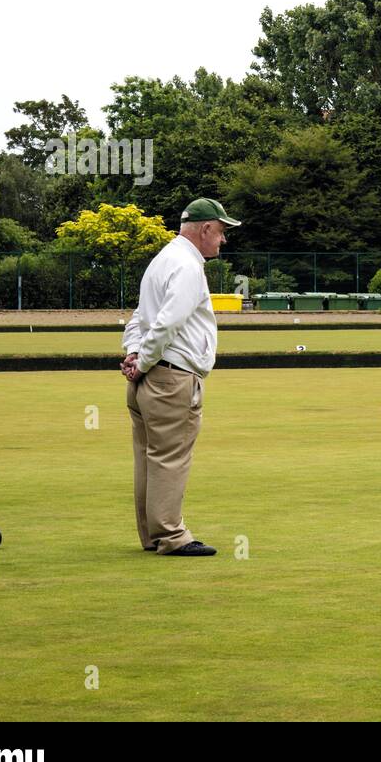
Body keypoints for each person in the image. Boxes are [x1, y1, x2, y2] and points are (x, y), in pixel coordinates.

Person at [120, 198, 241, 556]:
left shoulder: (162, 260)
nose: (223, 241)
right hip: (171, 379)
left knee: (149, 458)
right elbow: (167, 322)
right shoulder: (188, 266)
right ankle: (171, 536)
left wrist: (133, 352)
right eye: (221, 232)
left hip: (149, 379)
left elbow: (139, 318)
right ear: (205, 229)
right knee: (170, 458)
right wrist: (142, 361)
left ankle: (153, 535)